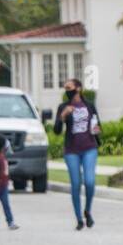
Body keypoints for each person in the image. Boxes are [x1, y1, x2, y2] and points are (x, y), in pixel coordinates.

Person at [53, 78, 100, 230]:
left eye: (70, 87)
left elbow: (97, 123)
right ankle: (79, 218)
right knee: (75, 184)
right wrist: (63, 116)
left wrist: (97, 131)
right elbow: (57, 130)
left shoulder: (89, 106)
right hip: (71, 150)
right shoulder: (63, 107)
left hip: (89, 148)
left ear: (78, 88)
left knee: (90, 182)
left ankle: (88, 210)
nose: (68, 90)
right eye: (65, 88)